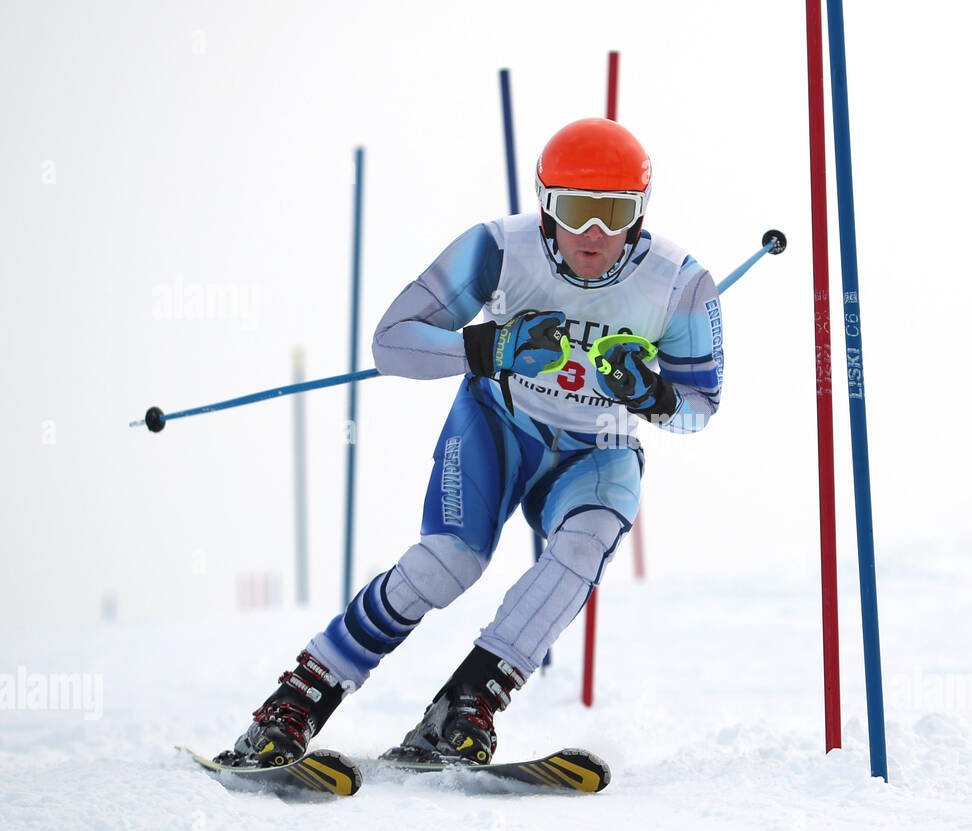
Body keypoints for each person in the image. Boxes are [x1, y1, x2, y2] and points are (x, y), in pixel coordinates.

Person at [216, 117, 723, 768]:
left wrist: (648, 392)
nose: (592, 235)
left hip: (599, 445)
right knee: (448, 563)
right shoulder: (500, 248)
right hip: (499, 425)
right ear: (545, 208)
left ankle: (466, 705)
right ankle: (297, 702)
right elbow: (391, 341)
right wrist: (488, 345)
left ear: (640, 215)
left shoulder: (679, 284)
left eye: (613, 213)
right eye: (574, 211)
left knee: (585, 539)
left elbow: (699, 408)